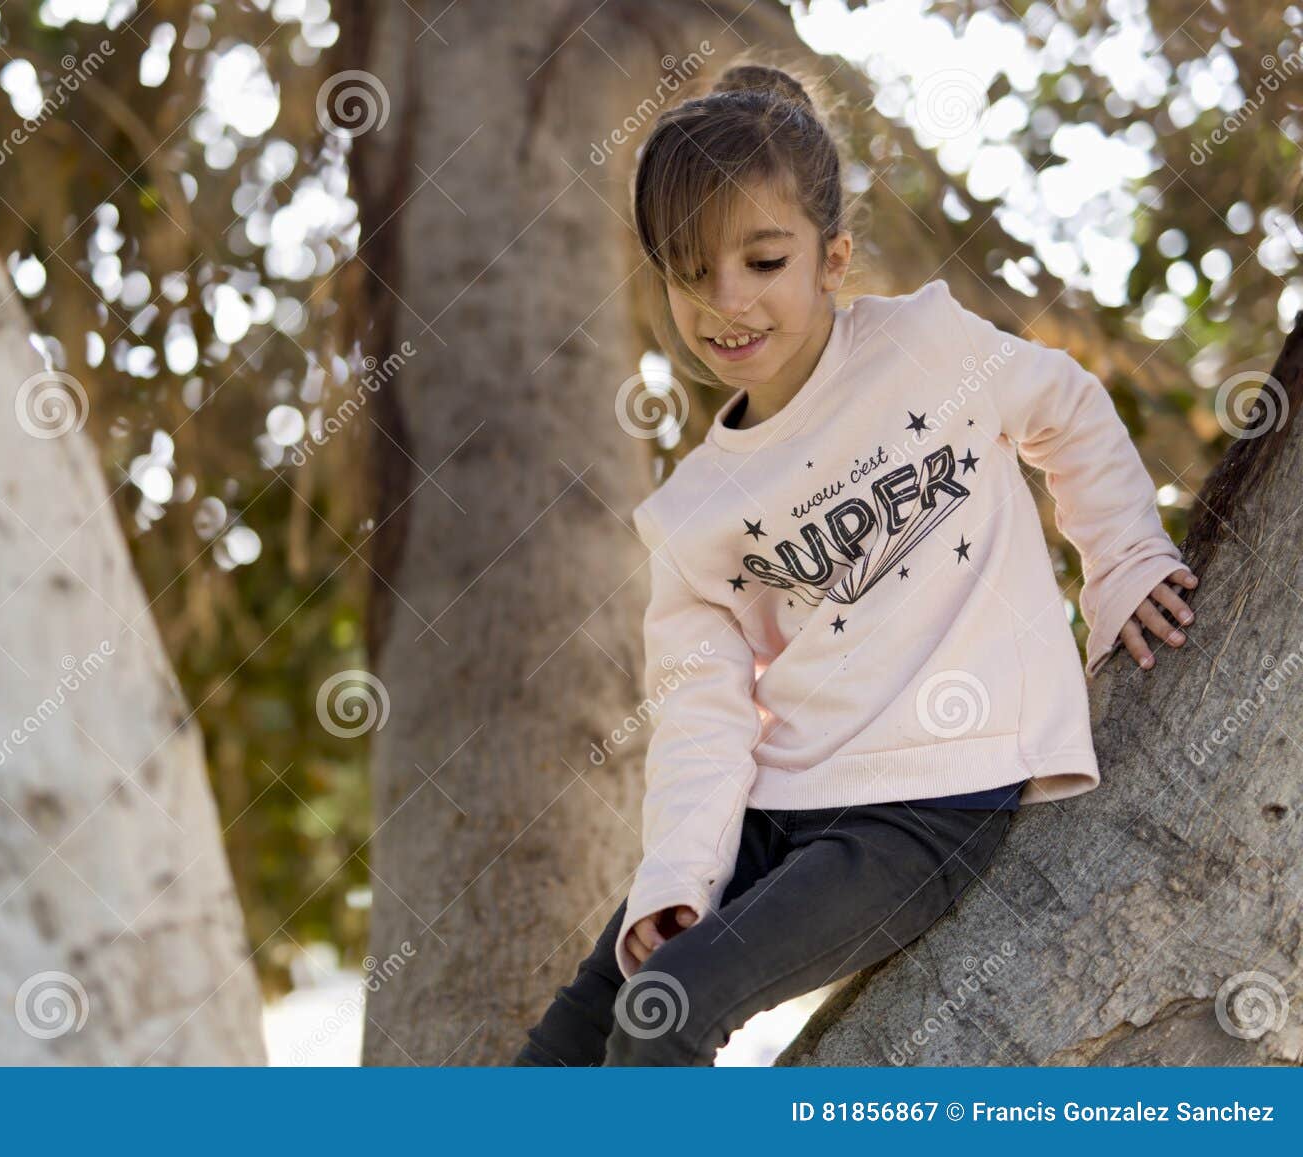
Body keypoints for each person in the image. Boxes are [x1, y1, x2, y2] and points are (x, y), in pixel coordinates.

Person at [512, 58, 1199, 1066]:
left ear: (831, 261)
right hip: (776, 804)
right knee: (587, 1011)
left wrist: (1126, 560)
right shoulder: (694, 511)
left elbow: (1066, 409)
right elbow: (702, 720)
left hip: (925, 804)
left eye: (761, 260)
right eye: (690, 271)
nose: (725, 301)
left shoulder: (923, 346)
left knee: (665, 1005)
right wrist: (677, 883)